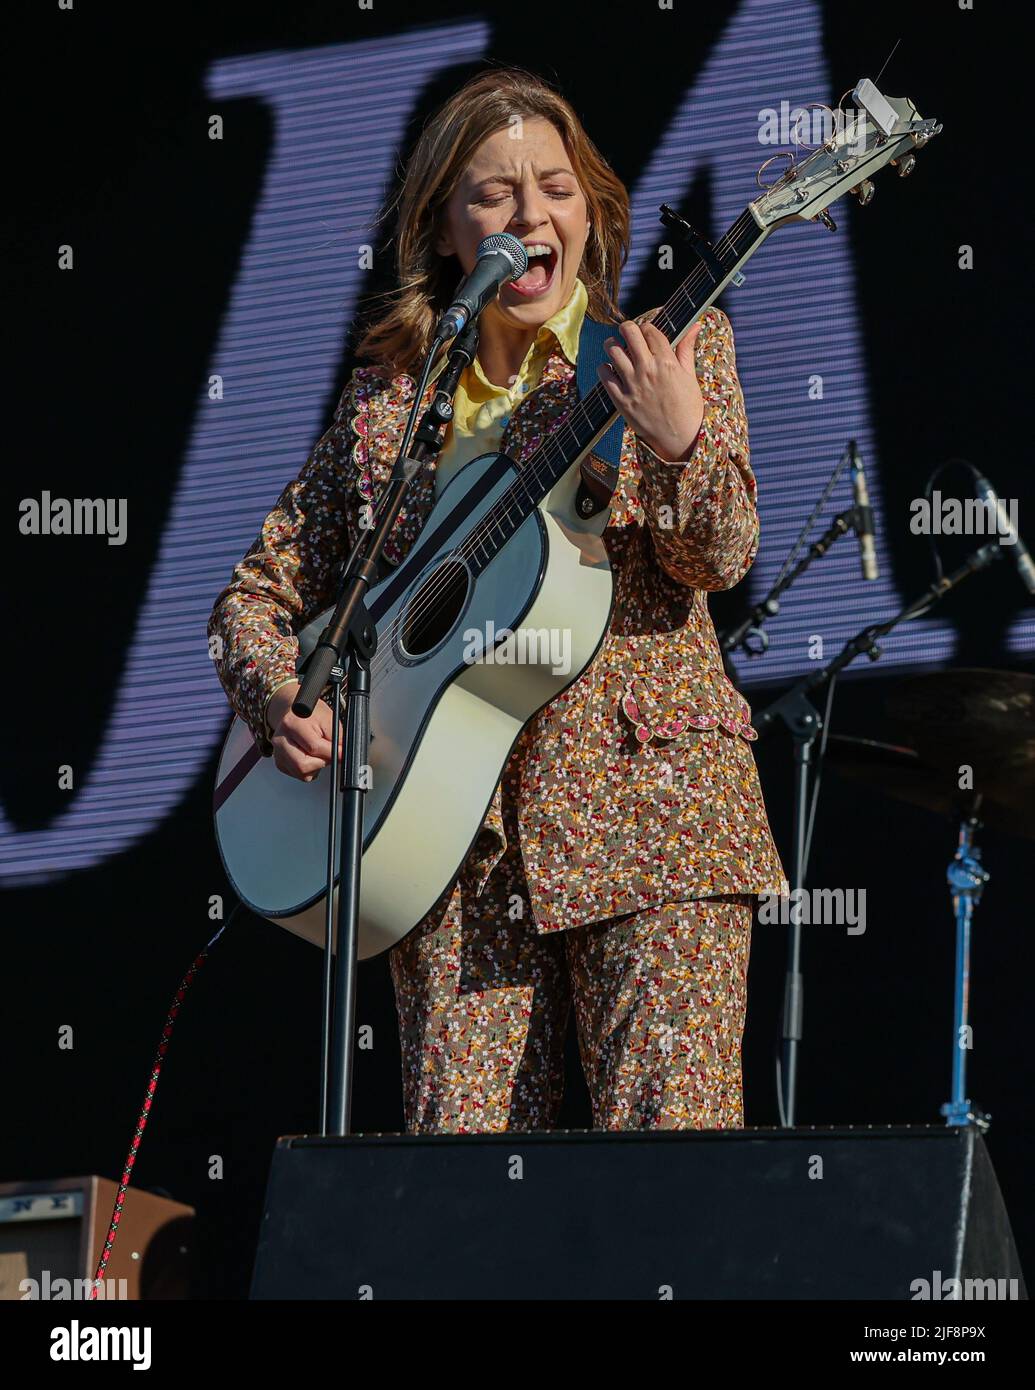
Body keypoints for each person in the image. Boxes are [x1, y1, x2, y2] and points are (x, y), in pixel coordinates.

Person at [208, 66, 786, 1136]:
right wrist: (281, 691)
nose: (531, 216)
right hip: (446, 849)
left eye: (555, 188)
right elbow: (256, 591)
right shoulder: (391, 404)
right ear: (444, 232)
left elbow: (725, 552)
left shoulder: (663, 349)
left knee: (670, 1171)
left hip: (651, 819)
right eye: (494, 194)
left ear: (592, 210)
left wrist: (680, 438)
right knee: (459, 1210)